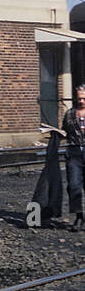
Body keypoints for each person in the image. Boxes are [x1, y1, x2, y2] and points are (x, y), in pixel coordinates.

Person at [57, 87, 85, 231]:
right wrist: (55, 133)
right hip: (74, 152)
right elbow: (64, 131)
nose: (81, 101)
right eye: (79, 98)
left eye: (84, 99)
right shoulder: (69, 114)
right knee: (73, 185)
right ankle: (79, 217)